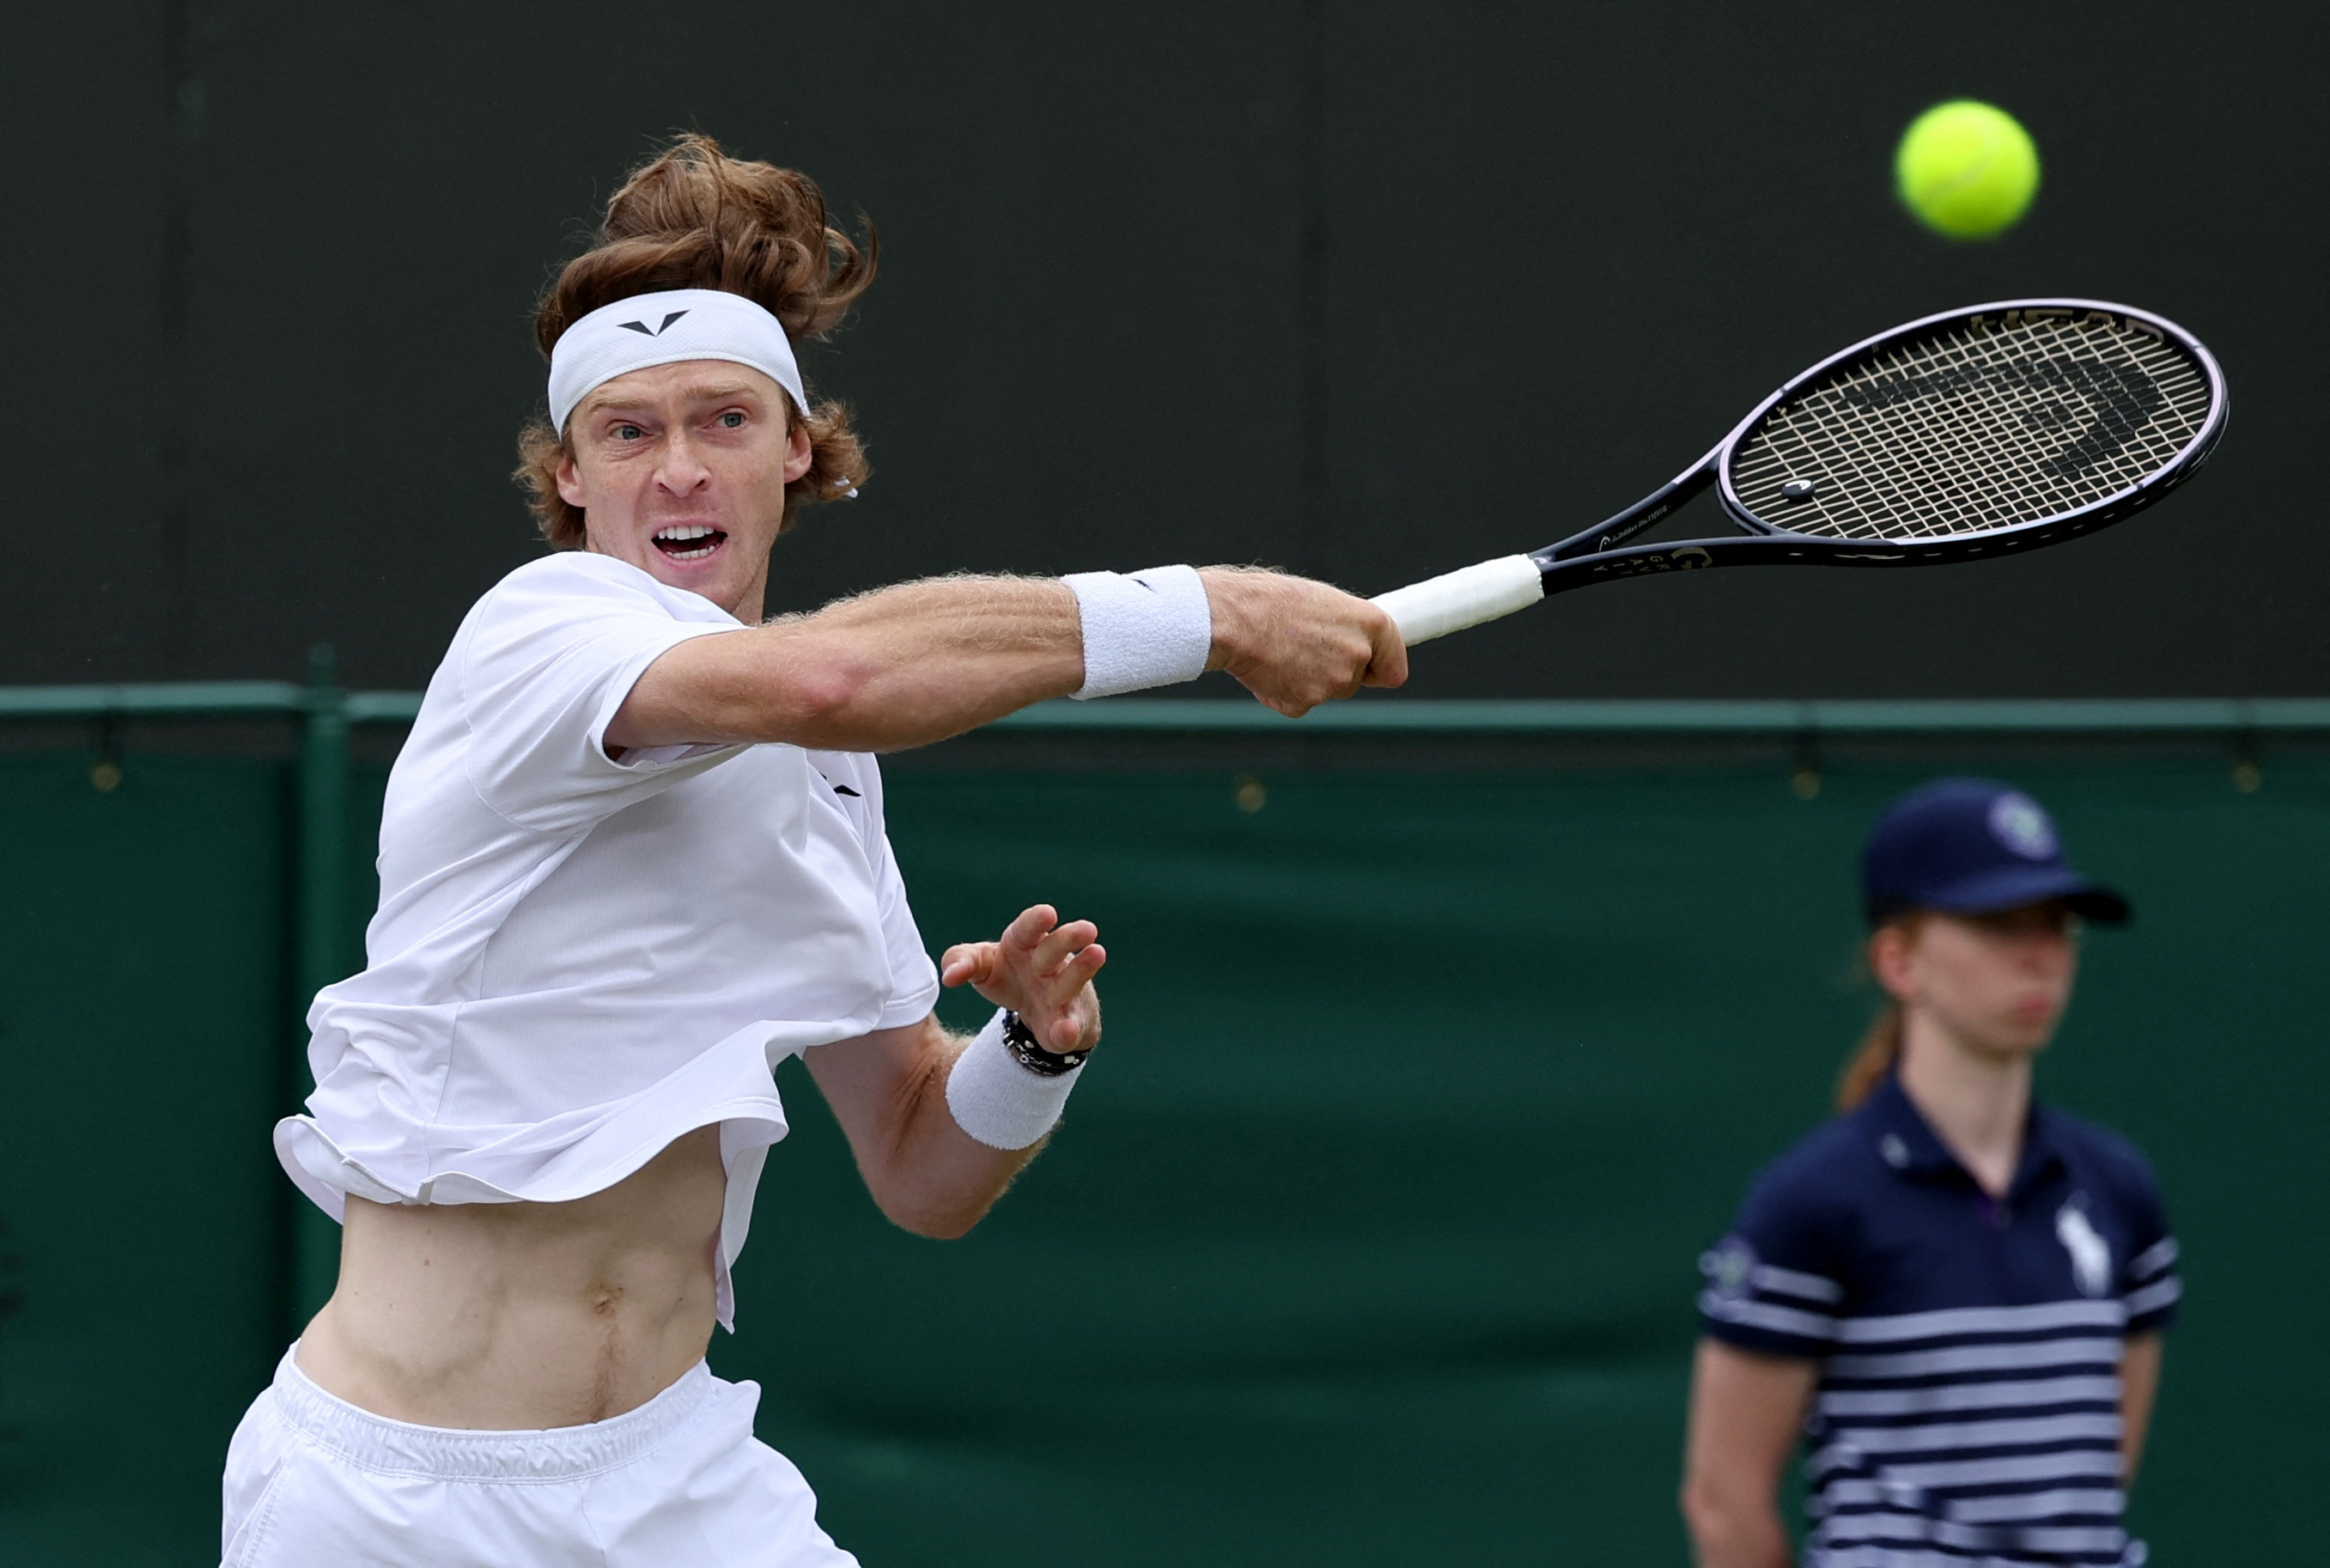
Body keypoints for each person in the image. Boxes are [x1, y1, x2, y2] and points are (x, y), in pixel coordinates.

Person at [217, 134, 1406, 1566]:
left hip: (677, 1485)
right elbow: (831, 677)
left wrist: (1028, 1054)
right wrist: (1200, 611)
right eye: (626, 433)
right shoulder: (540, 633)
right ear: (571, 480)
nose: (674, 472)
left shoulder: (826, 775)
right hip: (395, 1503)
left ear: (795, 447)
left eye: (720, 419)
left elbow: (918, 1163)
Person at [1679, 779, 2181, 1568]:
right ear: (1897, 960)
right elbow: (1723, 1507)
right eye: (1997, 923)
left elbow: (2092, 1479)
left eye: (2055, 923)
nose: (2038, 953)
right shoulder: (1809, 1203)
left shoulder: (2118, 1190)